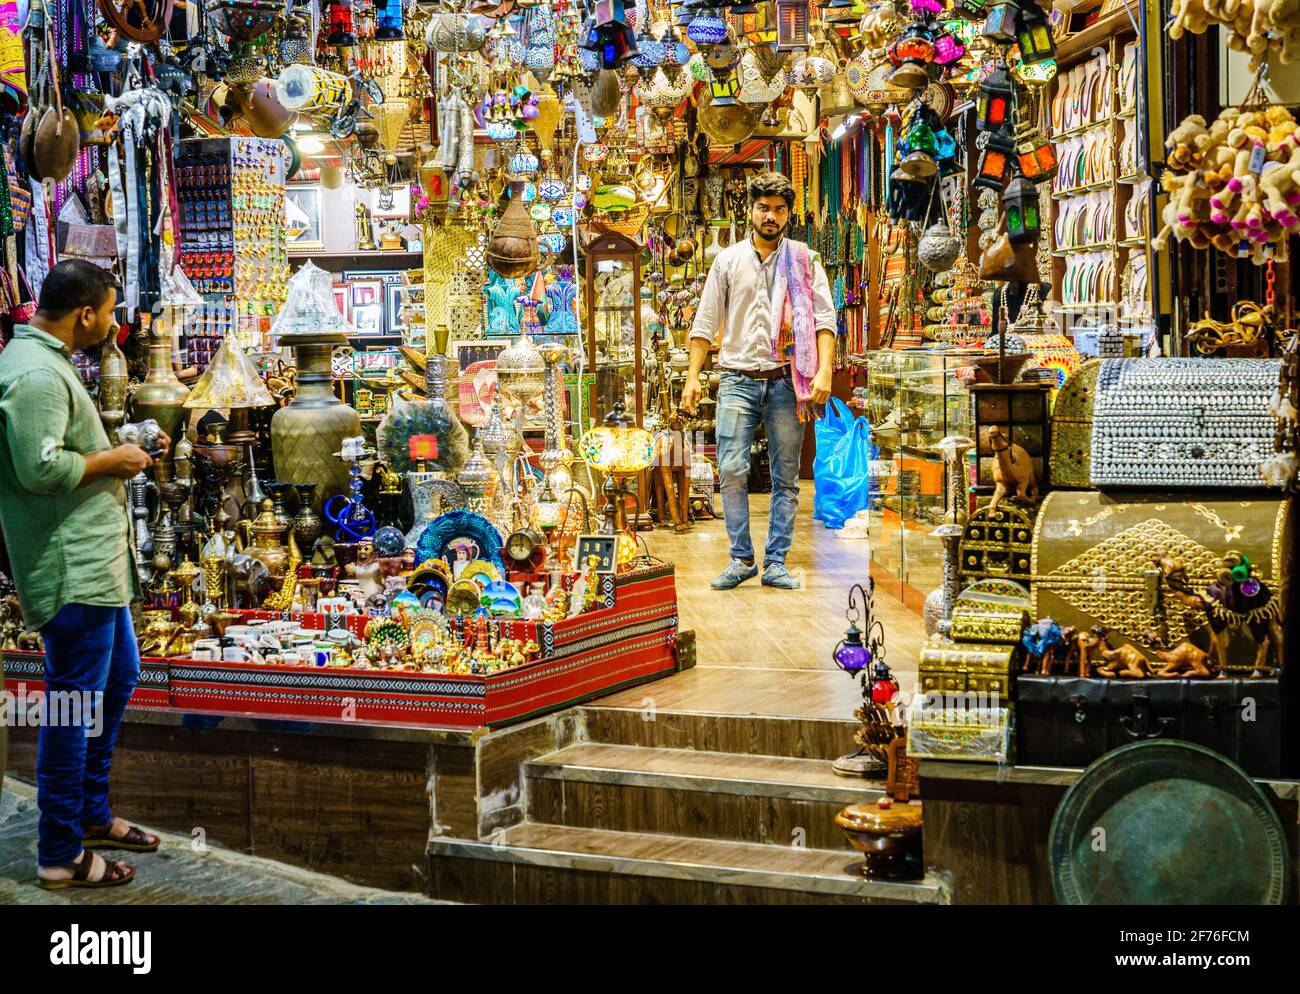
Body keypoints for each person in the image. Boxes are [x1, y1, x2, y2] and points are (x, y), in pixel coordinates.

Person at [0, 259, 169, 889]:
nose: (112, 324)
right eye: (109, 311)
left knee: (118, 677)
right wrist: (115, 458)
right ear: (85, 314)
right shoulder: (38, 374)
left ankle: (90, 814)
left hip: (95, 564)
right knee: (73, 707)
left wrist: (109, 447)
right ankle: (59, 853)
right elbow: (40, 470)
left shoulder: (45, 361)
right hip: (70, 568)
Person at [682, 172, 837, 591]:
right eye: (763, 208)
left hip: (789, 382)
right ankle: (740, 558)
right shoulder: (728, 260)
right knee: (731, 471)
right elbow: (705, 321)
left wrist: (824, 371)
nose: (771, 216)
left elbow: (825, 320)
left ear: (788, 214)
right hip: (736, 378)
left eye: (779, 209)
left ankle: (775, 562)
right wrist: (693, 378)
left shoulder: (805, 259)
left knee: (785, 476)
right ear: (750, 210)